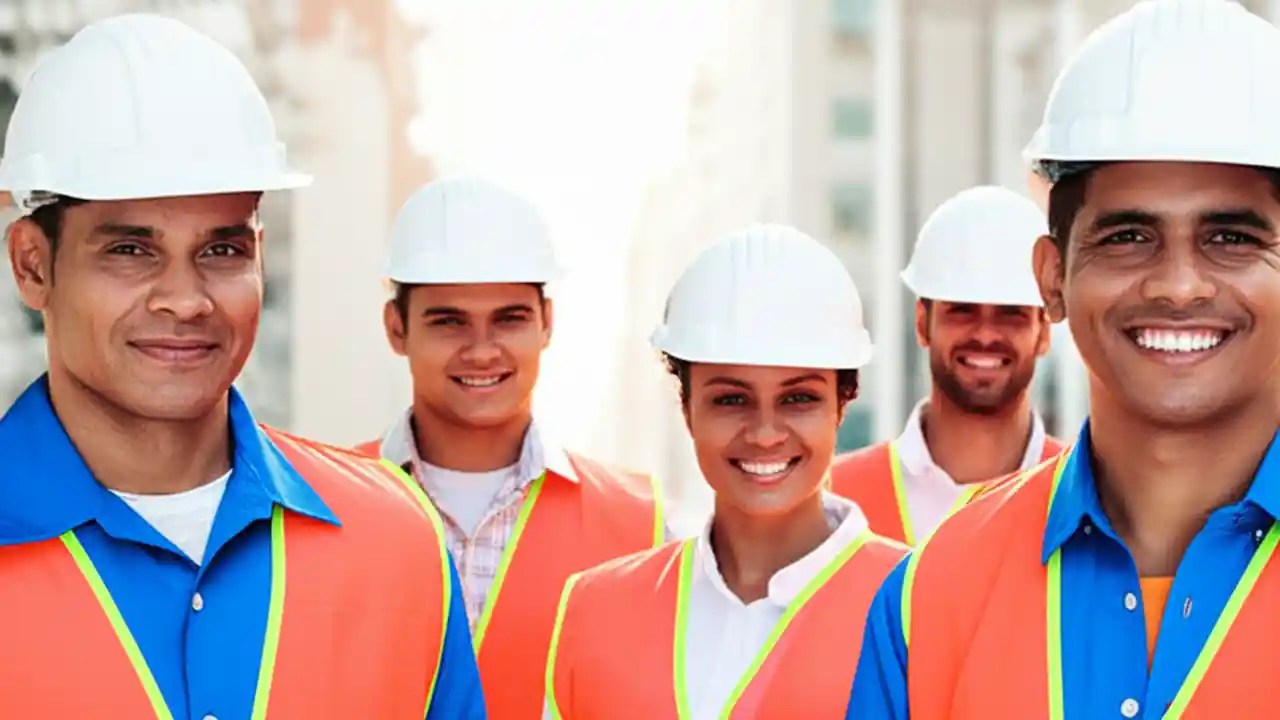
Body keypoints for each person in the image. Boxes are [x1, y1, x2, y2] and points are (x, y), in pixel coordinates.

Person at [0, 14, 484, 718]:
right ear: (33, 265)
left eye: (221, 250)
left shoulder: (396, 541)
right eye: (130, 251)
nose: (184, 299)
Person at [848, 0, 1280, 717]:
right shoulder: (928, 600)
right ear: (1051, 279)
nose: (1178, 285)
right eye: (1128, 236)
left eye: (1231, 238)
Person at [545, 225, 906, 718]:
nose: (764, 433)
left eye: (799, 398)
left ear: (842, 404)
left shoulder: (918, 607)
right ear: (687, 407)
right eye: (731, 399)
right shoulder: (595, 610)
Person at [359, 176, 673, 720]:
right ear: (396, 328)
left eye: (509, 319)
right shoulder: (319, 505)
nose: (482, 351)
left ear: (546, 324)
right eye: (449, 321)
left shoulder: (640, 525)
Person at [830, 186, 1064, 545]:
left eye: (1011, 314)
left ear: (1043, 332)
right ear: (923, 323)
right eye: (962, 310)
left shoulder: (1087, 498)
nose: (985, 334)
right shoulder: (835, 500)